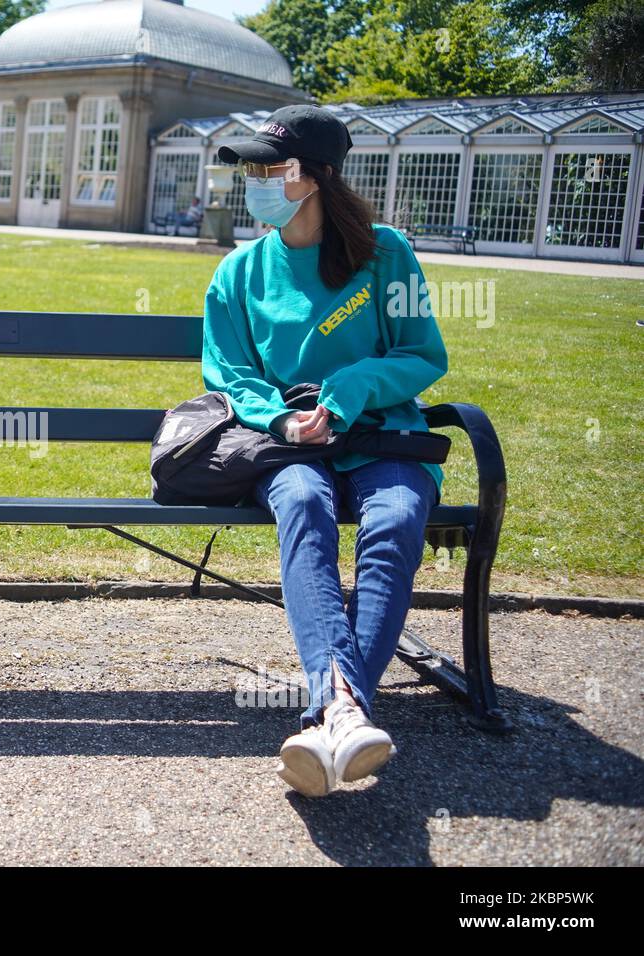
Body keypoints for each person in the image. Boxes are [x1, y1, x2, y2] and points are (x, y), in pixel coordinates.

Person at [205, 105, 448, 798]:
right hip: (289, 450)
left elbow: (422, 356)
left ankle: (332, 711)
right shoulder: (238, 272)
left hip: (380, 434)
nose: (251, 181)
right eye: (249, 169)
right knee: (305, 507)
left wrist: (344, 392)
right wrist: (283, 421)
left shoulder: (387, 253)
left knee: (398, 518)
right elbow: (230, 375)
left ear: (314, 178)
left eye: (267, 168)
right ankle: (348, 712)